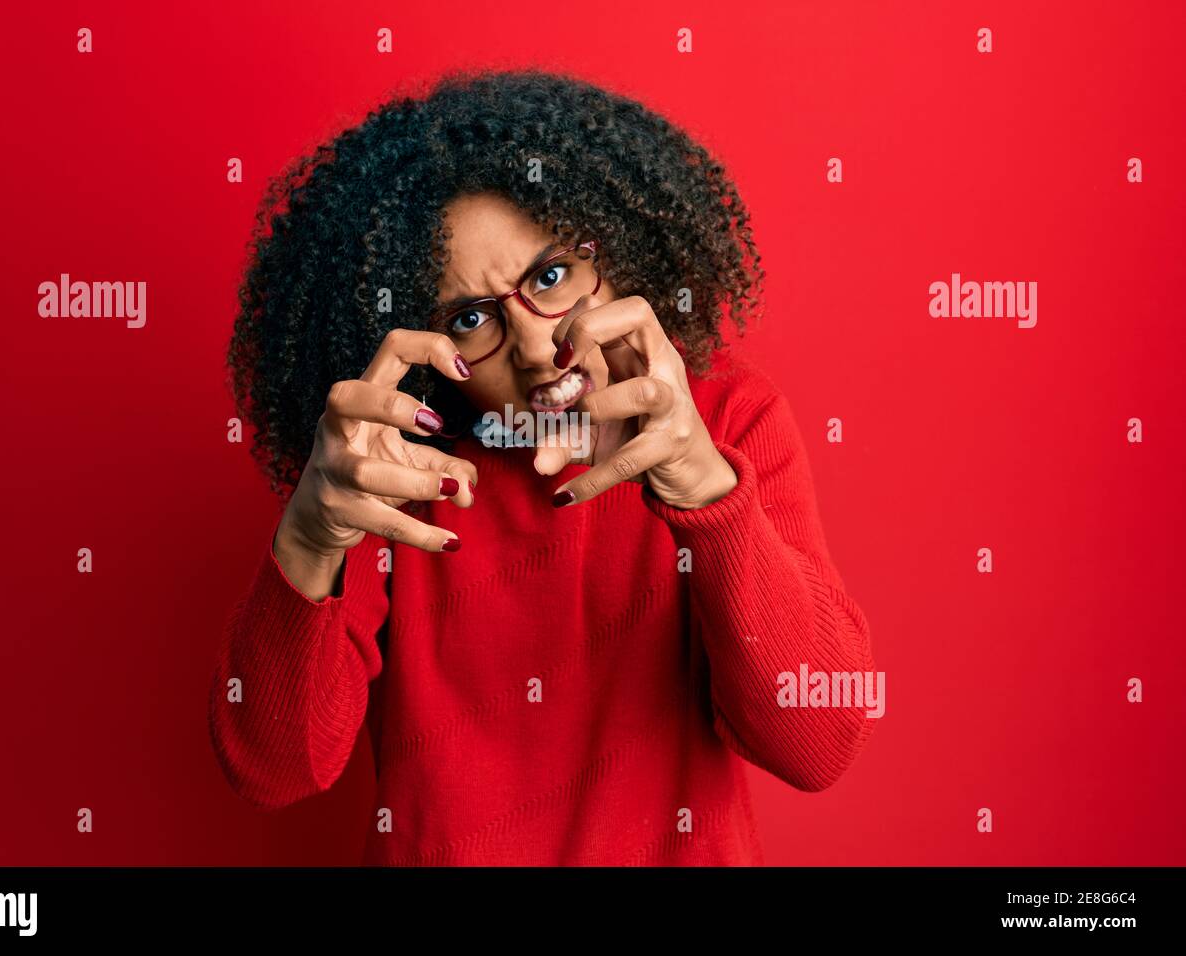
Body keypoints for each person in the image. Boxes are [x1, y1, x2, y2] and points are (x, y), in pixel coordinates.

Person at [208, 68, 876, 865]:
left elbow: (819, 744)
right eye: (470, 319)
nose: (534, 345)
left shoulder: (729, 419)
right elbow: (273, 770)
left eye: (551, 276)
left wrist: (706, 490)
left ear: (621, 249)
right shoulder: (392, 476)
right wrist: (312, 537)